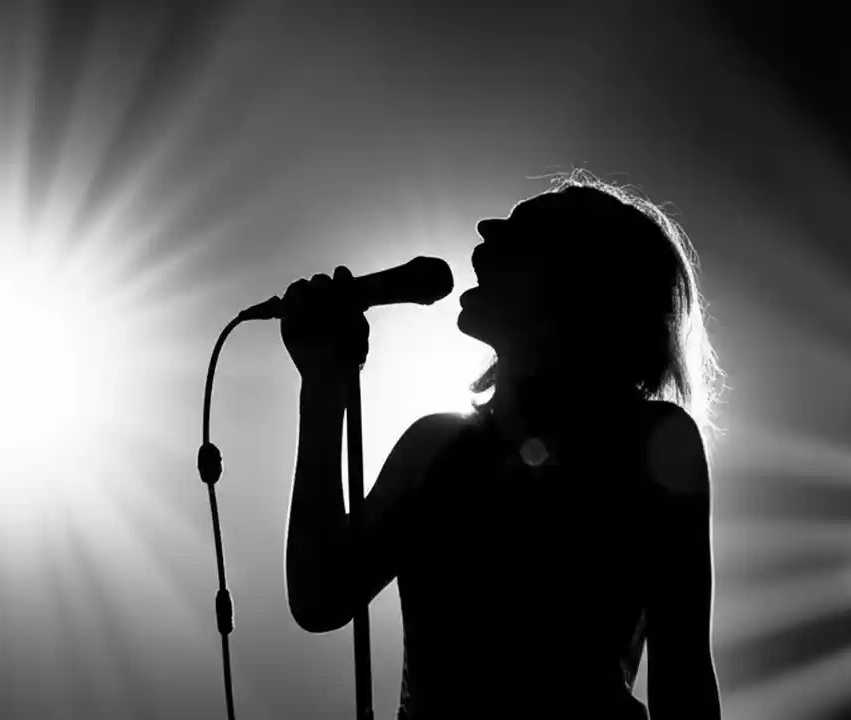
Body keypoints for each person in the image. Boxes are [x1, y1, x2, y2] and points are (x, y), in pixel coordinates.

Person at [281, 170, 723, 719]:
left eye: (523, 229)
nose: (487, 229)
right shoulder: (433, 444)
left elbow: (683, 678)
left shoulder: (652, 439)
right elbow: (320, 595)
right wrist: (323, 384)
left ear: (576, 280)